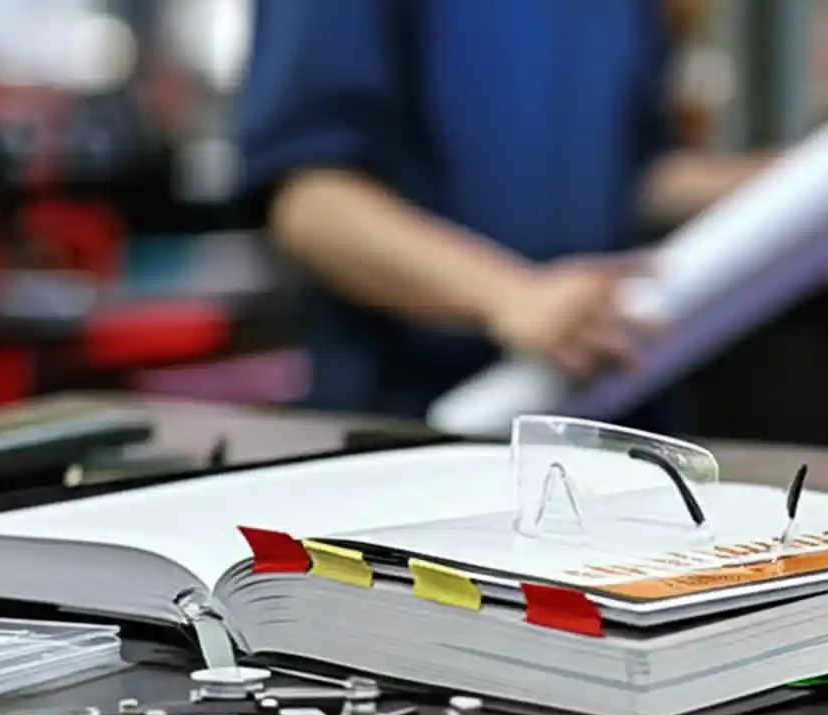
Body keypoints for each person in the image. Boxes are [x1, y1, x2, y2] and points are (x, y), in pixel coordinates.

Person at [237, 0, 765, 428]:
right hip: (424, 418)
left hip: (610, 406)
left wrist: (799, 181)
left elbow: (632, 176)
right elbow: (309, 200)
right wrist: (509, 295)